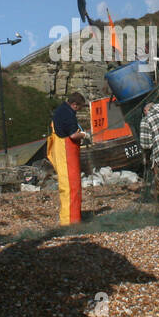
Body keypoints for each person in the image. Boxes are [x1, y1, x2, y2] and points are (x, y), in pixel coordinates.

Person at [47, 92, 89, 225]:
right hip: (66, 154)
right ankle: (71, 222)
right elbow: (72, 136)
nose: (79, 110)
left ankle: (67, 218)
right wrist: (84, 135)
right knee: (72, 187)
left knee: (65, 187)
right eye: (79, 108)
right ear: (74, 105)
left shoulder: (60, 109)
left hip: (59, 151)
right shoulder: (69, 115)